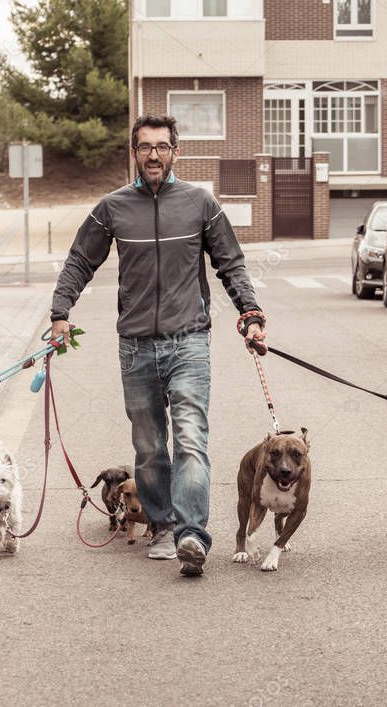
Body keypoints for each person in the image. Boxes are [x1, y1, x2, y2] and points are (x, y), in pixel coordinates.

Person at [50, 114, 266, 577]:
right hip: (136, 347)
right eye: (145, 147)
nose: (153, 154)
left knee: (191, 439)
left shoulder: (200, 203)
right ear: (134, 153)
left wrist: (250, 313)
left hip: (189, 340)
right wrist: (60, 314)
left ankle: (192, 535)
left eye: (162, 146)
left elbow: (231, 263)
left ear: (175, 152)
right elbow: (78, 262)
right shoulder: (112, 208)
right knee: (149, 447)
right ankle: (163, 526)